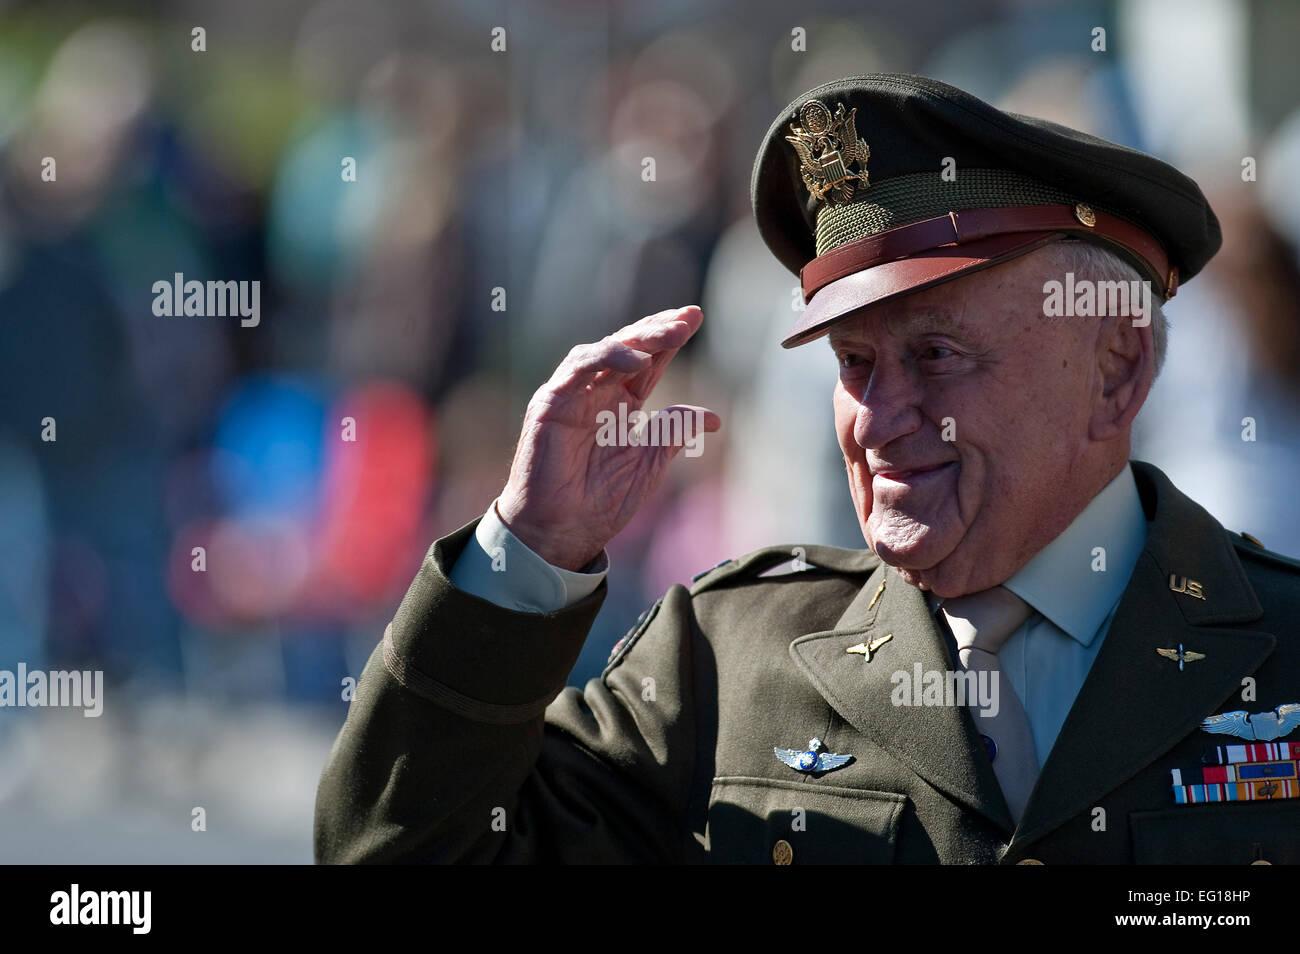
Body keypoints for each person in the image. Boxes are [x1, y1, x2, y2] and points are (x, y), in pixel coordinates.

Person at [314, 74, 1300, 864]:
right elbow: (396, 851)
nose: (878, 418)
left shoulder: (1278, 654)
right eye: (854, 365)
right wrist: (525, 557)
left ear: (1113, 368)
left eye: (937, 356)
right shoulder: (725, 660)